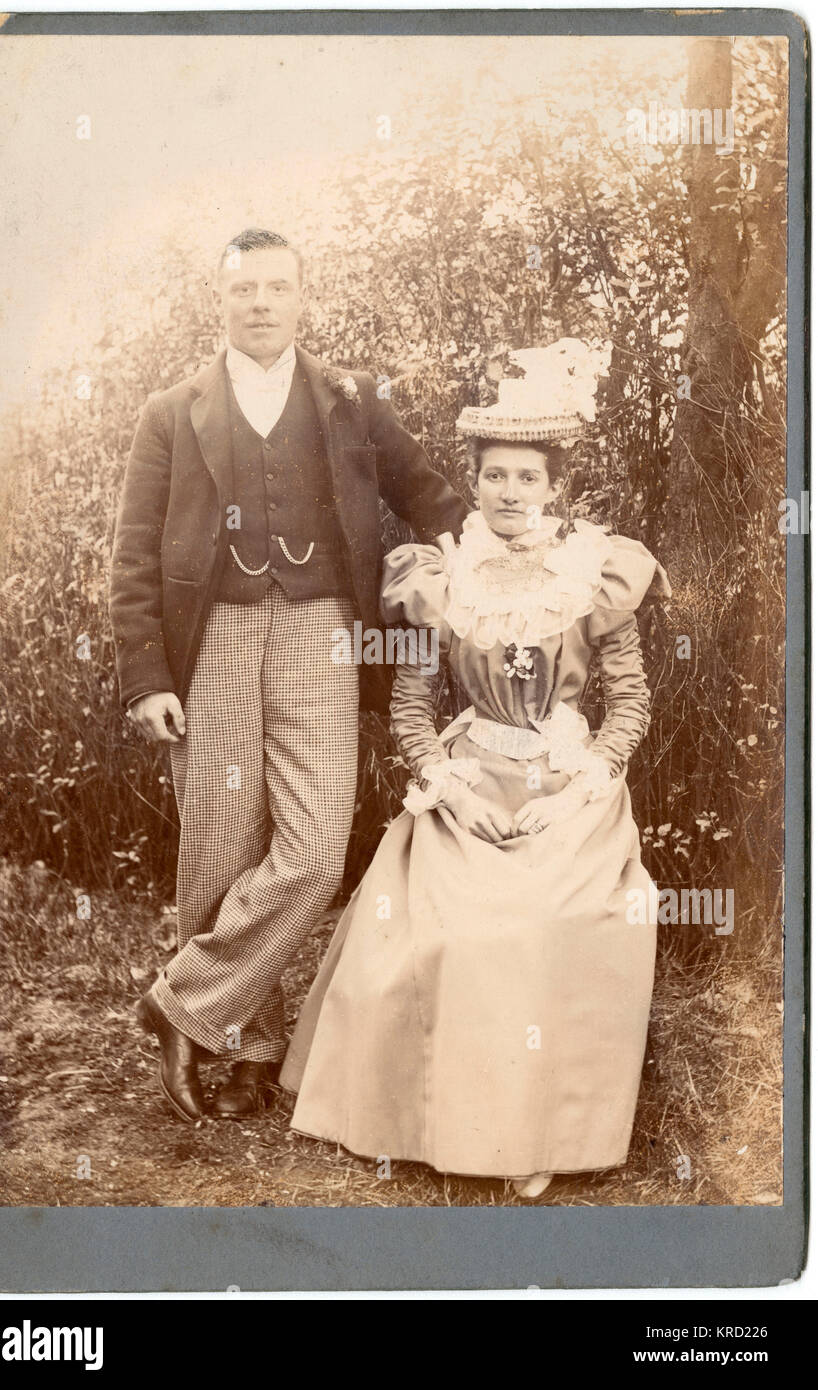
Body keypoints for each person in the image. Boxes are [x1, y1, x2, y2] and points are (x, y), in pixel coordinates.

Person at [281, 340, 672, 1198]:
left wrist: (578, 790)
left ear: (553, 487)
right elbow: (413, 708)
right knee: (454, 934)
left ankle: (534, 1134)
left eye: (526, 479)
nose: (508, 494)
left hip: (569, 791)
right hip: (466, 783)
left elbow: (630, 707)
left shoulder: (595, 573)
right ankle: (437, 1122)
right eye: (494, 477)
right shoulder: (443, 575)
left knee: (547, 931)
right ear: (477, 480)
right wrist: (448, 788)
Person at [109, 228, 468, 1123]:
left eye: (277, 288)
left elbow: (428, 493)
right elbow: (133, 559)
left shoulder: (351, 400)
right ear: (219, 300)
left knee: (310, 855)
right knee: (221, 847)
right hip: (214, 638)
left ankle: (179, 1001)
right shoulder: (172, 411)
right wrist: (148, 676)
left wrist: (517, 550)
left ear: (304, 298)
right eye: (243, 290)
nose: (260, 303)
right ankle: (244, 1053)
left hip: (322, 631)